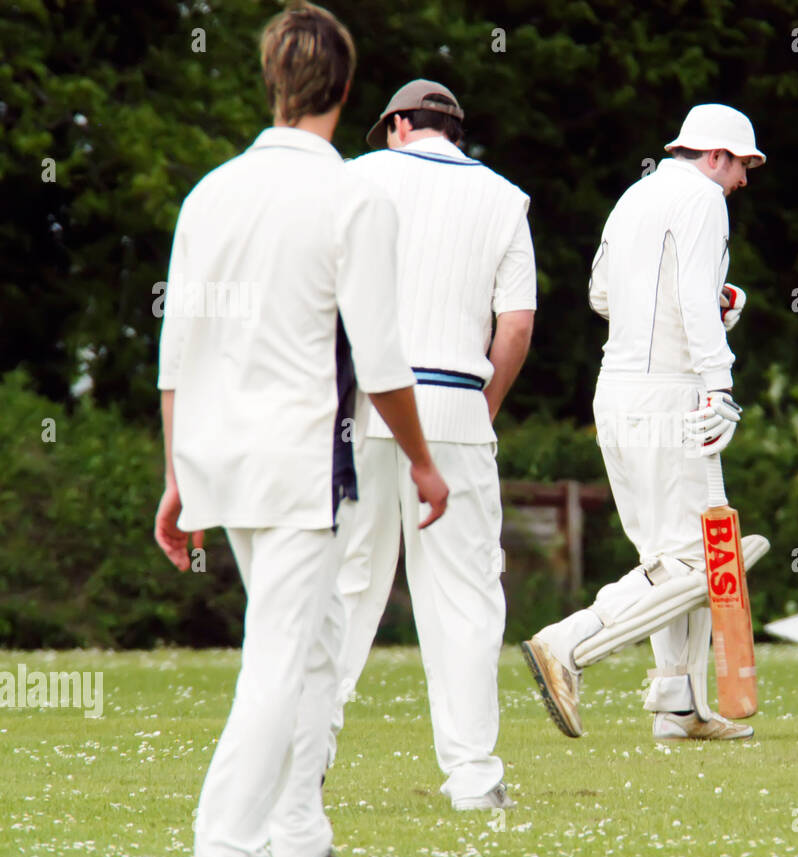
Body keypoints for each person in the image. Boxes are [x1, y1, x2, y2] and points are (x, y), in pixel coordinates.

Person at [153, 2, 448, 857]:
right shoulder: (352, 194)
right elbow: (384, 359)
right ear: (347, 88)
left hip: (220, 456)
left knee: (312, 642)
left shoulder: (209, 193)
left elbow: (180, 352)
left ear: (272, 80)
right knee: (280, 659)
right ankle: (226, 849)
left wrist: (177, 477)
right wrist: (426, 465)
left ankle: (300, 835)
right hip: (299, 462)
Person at [318, 80, 535, 811]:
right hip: (455, 407)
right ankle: (474, 778)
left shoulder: (355, 176)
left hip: (362, 411)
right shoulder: (506, 198)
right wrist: (481, 412)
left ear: (401, 125)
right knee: (468, 600)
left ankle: (306, 754)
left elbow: (321, 299)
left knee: (345, 586)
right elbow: (517, 326)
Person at [522, 104, 768, 741]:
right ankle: (566, 644)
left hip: (617, 392)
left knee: (667, 557)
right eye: (742, 164)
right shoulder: (702, 198)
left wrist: (713, 303)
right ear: (714, 155)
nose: (743, 180)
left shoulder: (635, 195)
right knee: (696, 562)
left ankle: (676, 703)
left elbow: (602, 295)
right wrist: (720, 383)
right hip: (670, 395)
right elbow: (689, 297)